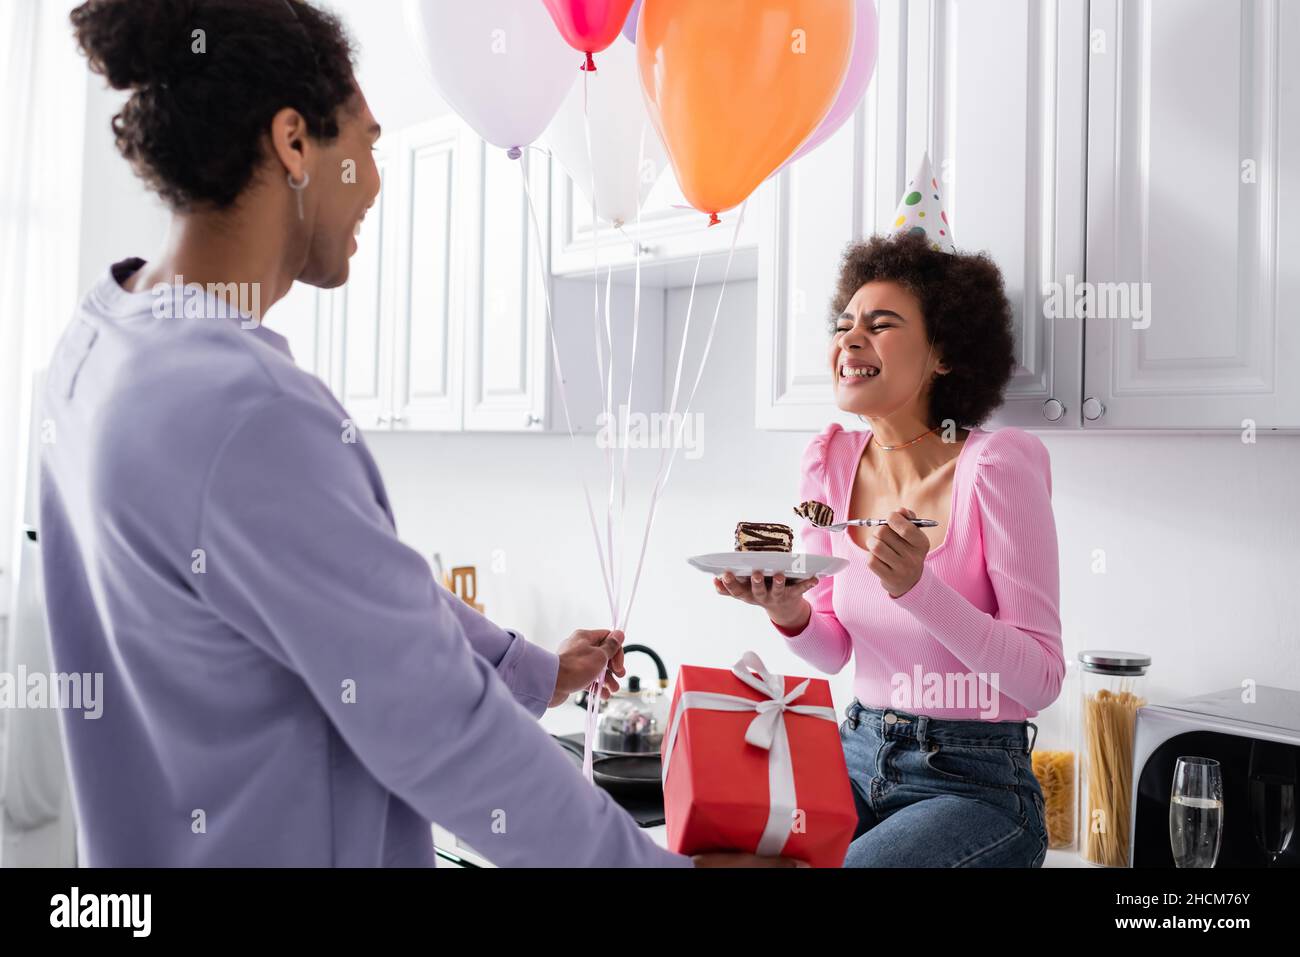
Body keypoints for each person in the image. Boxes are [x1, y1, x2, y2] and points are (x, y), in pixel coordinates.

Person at [43, 0, 789, 868]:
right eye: (366, 141)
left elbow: (363, 593)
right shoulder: (247, 411)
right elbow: (442, 728)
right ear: (293, 144)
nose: (377, 175)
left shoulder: (96, 342)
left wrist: (533, 671)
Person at [714, 230, 1064, 866]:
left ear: (944, 354)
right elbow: (834, 648)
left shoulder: (998, 467)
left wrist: (919, 590)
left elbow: (1040, 678)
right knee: (727, 856)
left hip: (975, 784)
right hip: (852, 754)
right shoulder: (830, 464)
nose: (849, 339)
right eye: (844, 323)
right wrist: (786, 609)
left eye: (880, 325)